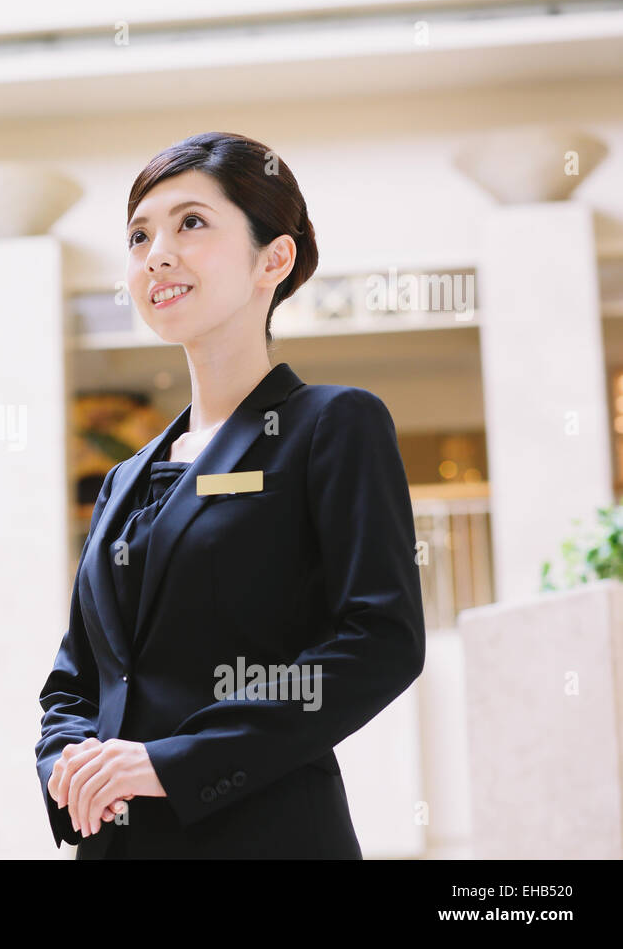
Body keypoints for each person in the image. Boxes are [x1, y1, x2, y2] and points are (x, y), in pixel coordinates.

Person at [34, 131, 426, 859]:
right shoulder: (123, 478)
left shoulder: (332, 424)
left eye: (191, 223)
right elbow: (75, 677)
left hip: (265, 834)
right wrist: (69, 764)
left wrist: (173, 763)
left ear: (271, 260)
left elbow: (381, 641)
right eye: (139, 235)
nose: (156, 253)